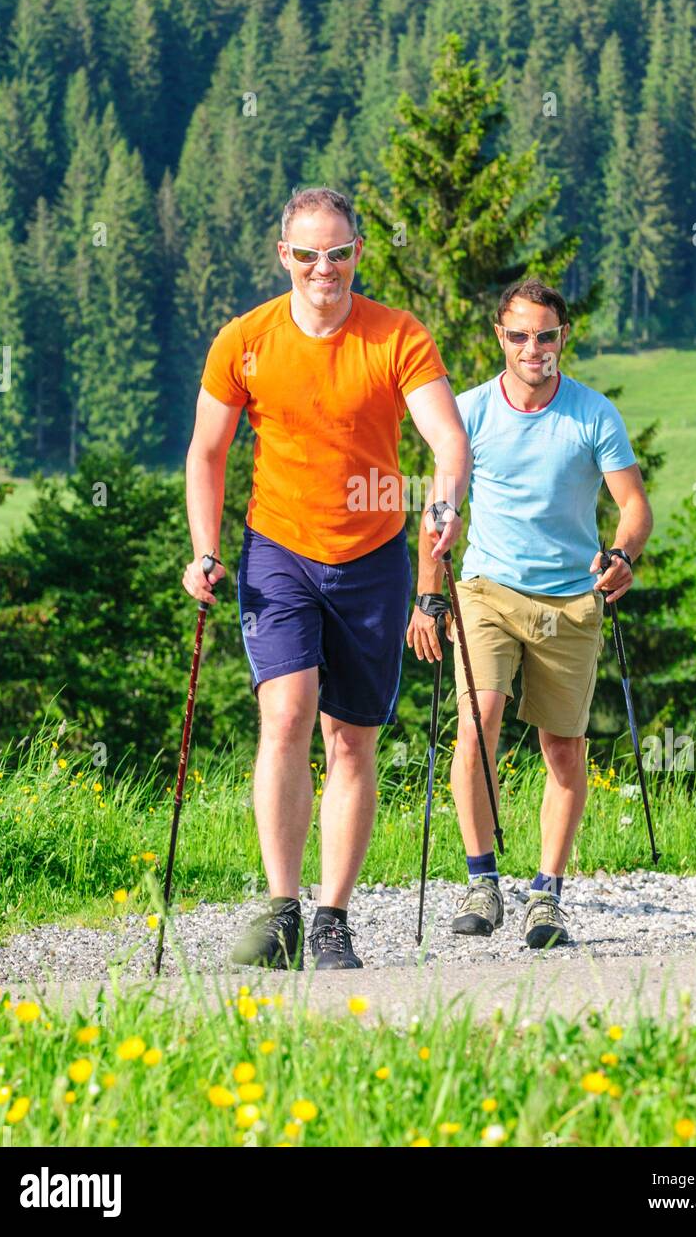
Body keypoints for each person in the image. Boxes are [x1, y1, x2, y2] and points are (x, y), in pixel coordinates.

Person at [182, 187, 470, 969]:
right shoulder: (245, 340)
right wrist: (203, 548)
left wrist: (443, 504)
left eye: (338, 253)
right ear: (284, 256)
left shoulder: (396, 336)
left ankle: (332, 917)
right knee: (286, 714)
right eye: (307, 254)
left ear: (357, 254)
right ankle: (281, 910)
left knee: (350, 742)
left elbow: (446, 439)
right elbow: (207, 453)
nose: (323, 269)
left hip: (372, 556)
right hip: (277, 547)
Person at [407, 278, 652, 949]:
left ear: (562, 338)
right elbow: (439, 512)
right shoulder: (467, 414)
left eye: (545, 336)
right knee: (478, 720)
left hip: (570, 600)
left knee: (563, 750)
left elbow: (633, 507)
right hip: (486, 590)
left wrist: (622, 554)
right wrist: (428, 597)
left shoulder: (592, 413)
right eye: (518, 335)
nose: (532, 348)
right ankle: (481, 878)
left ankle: (546, 894)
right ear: (499, 337)